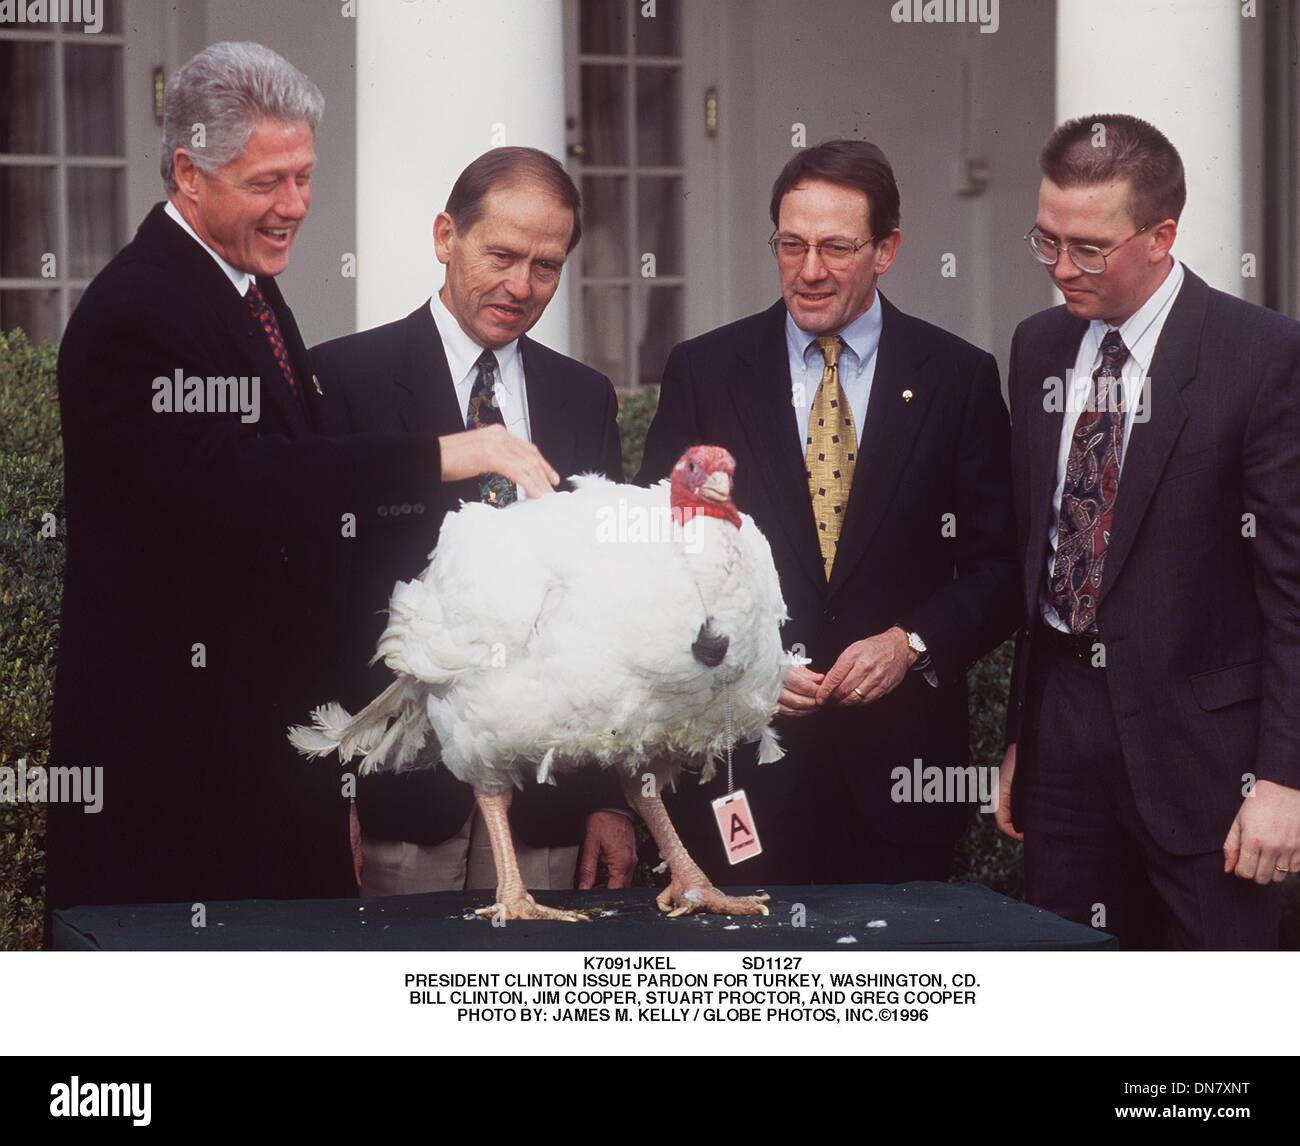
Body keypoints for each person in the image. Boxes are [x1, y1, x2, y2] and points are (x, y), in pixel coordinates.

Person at [46, 43, 558, 919]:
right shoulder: (138, 312)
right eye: (266, 184)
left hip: (269, 772)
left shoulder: (245, 289)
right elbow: (242, 485)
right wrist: (449, 452)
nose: (294, 208)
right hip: (175, 790)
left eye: (305, 178)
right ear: (188, 172)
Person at [637, 139, 1019, 886]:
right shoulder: (705, 370)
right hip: (739, 768)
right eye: (792, 244)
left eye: (837, 247)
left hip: (900, 786)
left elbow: (999, 569)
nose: (809, 270)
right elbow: (658, 556)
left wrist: (911, 643)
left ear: (888, 250)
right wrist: (745, 665)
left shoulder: (957, 378)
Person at [996, 113, 1300, 949]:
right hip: (1062, 741)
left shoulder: (1264, 355)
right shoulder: (1039, 347)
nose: (1062, 268)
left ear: (1162, 235)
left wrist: (1284, 779)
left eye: (1089, 248)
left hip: (1211, 763)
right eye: (1046, 239)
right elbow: (1043, 549)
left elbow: (1292, 589)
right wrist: (1025, 734)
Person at [311, 148, 636, 899]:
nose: (521, 287)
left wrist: (611, 799)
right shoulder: (343, 379)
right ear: (444, 237)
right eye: (501, 255)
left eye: (547, 266)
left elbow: (609, 611)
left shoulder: (585, 398)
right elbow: (312, 604)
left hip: (550, 806)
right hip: (397, 801)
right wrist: (330, 795)